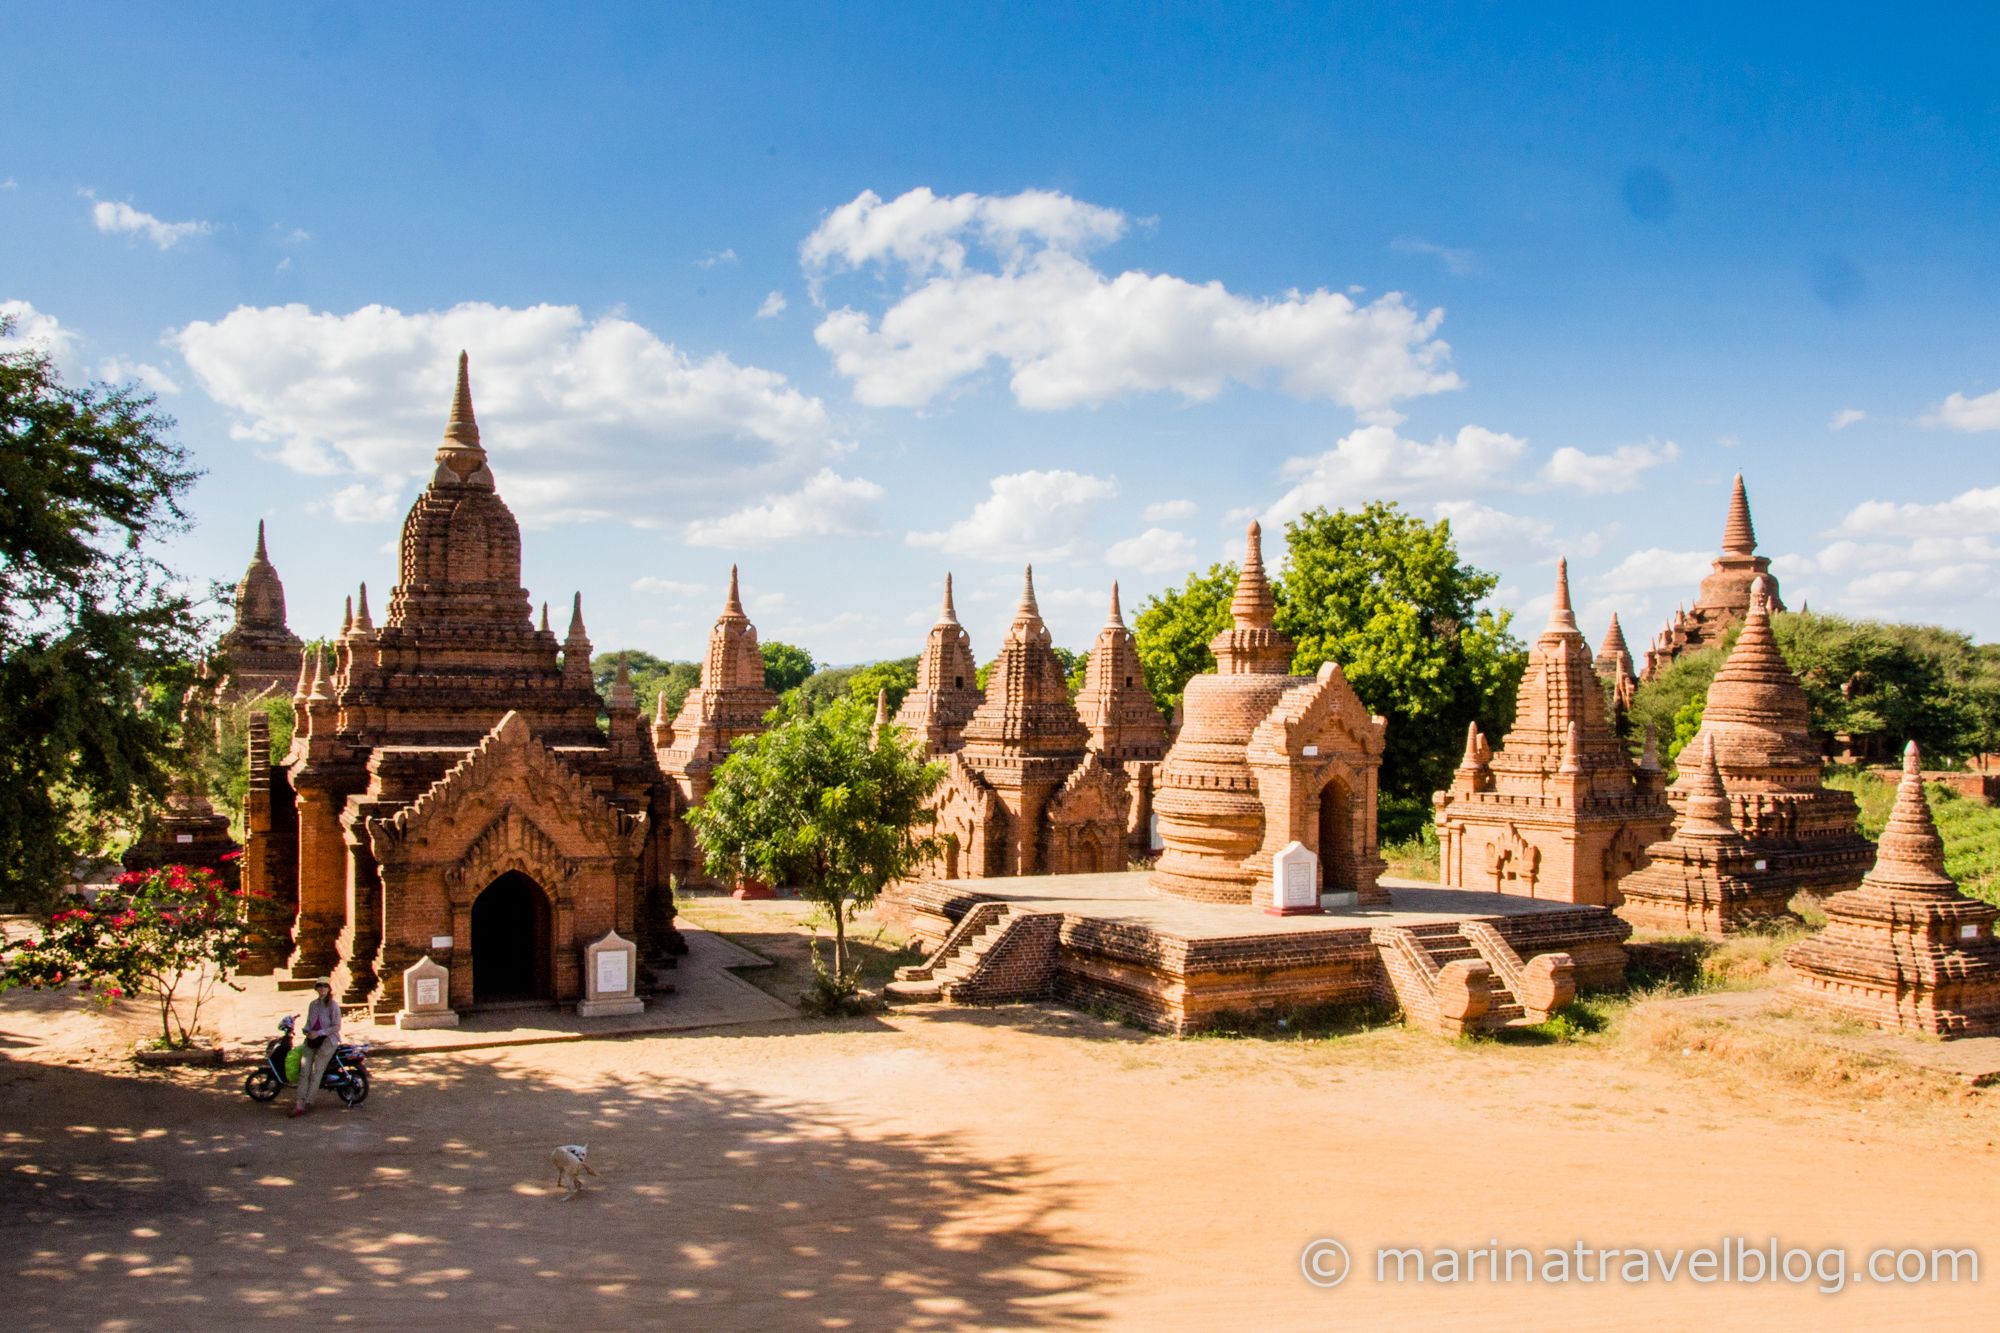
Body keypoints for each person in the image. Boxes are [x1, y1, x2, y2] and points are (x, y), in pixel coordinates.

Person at [291, 980, 342, 1118]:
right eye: (320, 986)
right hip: (312, 1040)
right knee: (304, 1070)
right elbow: (309, 1023)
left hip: (328, 1040)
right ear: (316, 988)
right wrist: (306, 1030)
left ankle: (309, 1100)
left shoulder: (333, 1005)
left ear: (329, 988)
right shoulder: (313, 1005)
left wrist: (319, 1033)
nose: (322, 988)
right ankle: (299, 1102)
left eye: (325, 986)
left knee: (316, 1070)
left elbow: (336, 1027)